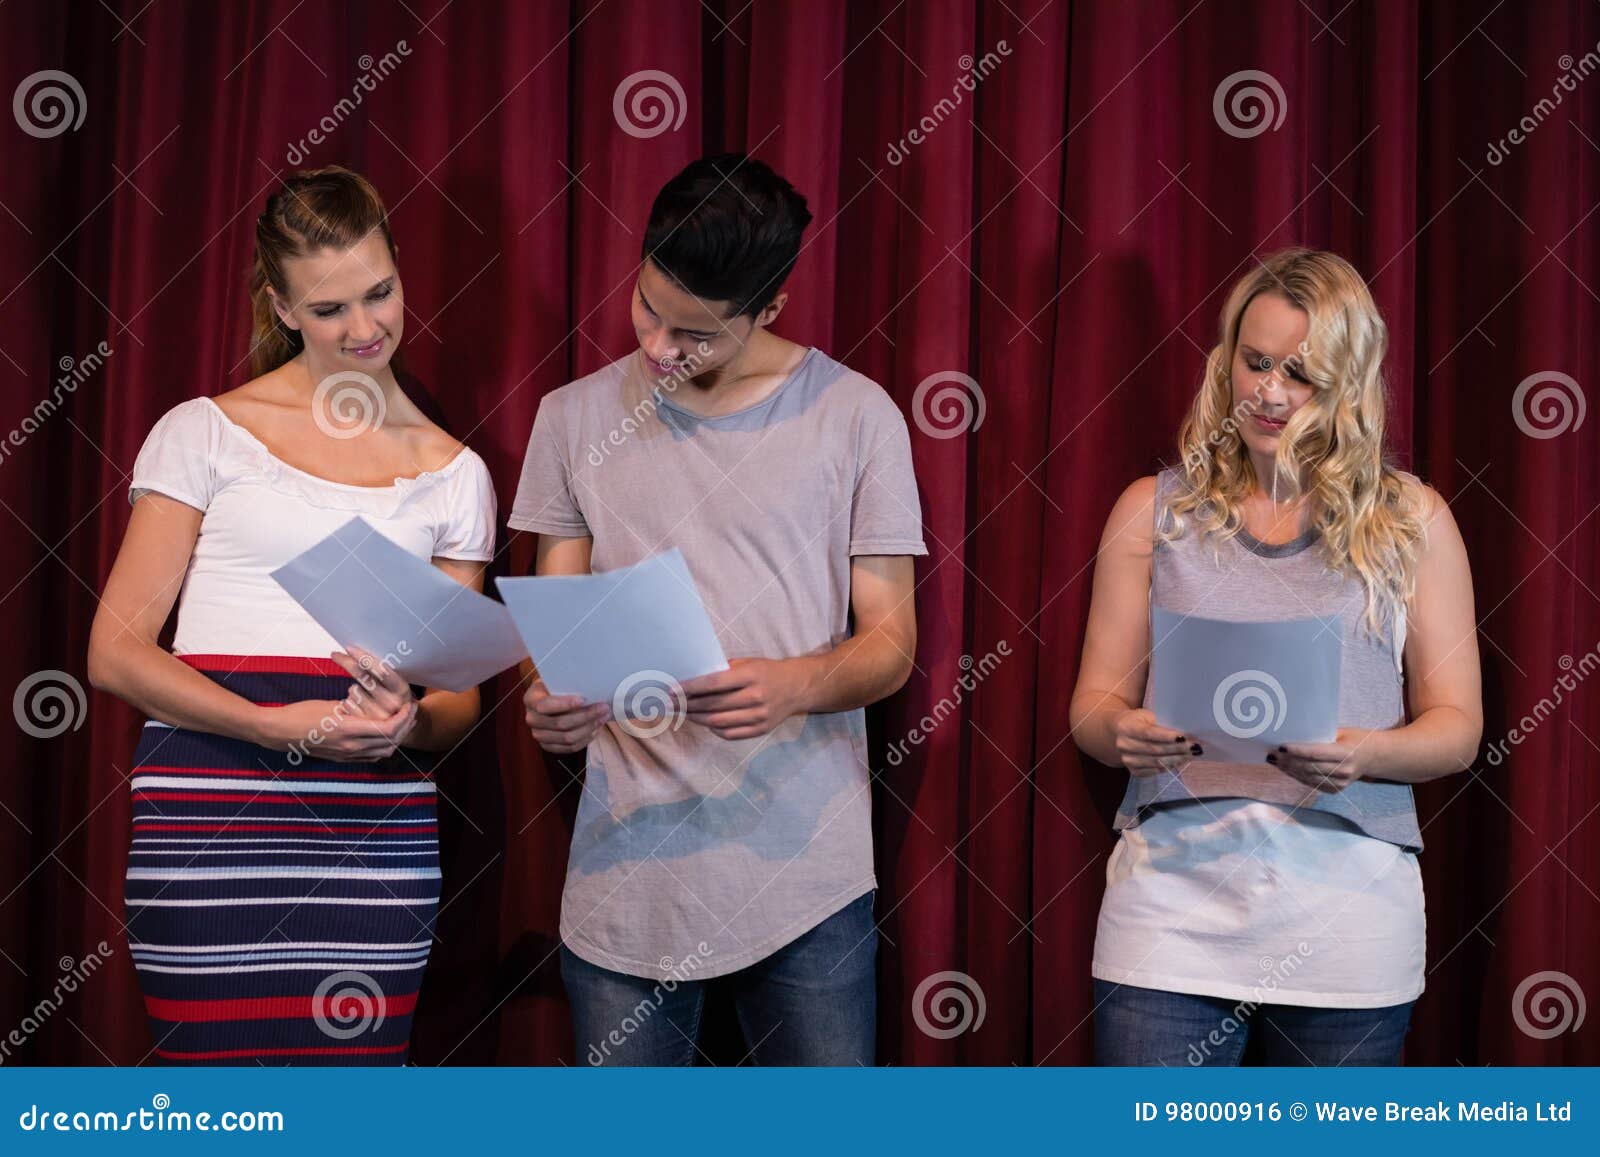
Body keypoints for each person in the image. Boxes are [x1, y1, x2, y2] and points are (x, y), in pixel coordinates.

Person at [510, 153, 925, 1065]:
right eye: (648, 309)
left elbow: (893, 646)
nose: (659, 346)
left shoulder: (859, 416)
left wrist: (797, 684)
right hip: (626, 881)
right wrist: (550, 702)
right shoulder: (571, 417)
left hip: (806, 883)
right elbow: (557, 628)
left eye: (695, 333)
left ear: (771, 310)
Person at [87, 166, 495, 1065]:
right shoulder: (203, 431)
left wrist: (407, 719)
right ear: (280, 307)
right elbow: (114, 653)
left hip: (374, 840)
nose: (365, 328)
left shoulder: (455, 473)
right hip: (210, 823)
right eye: (329, 309)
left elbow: (457, 704)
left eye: (379, 292)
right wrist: (274, 725)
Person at [1069, 248, 1482, 1066]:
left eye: (1301, 375)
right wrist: (1124, 733)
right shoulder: (1150, 511)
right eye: (1254, 363)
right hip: (1170, 913)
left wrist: (1366, 751)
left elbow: (1460, 728)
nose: (1268, 392)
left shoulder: (1414, 519)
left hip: (1348, 919)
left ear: (1348, 387)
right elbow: (1091, 708)